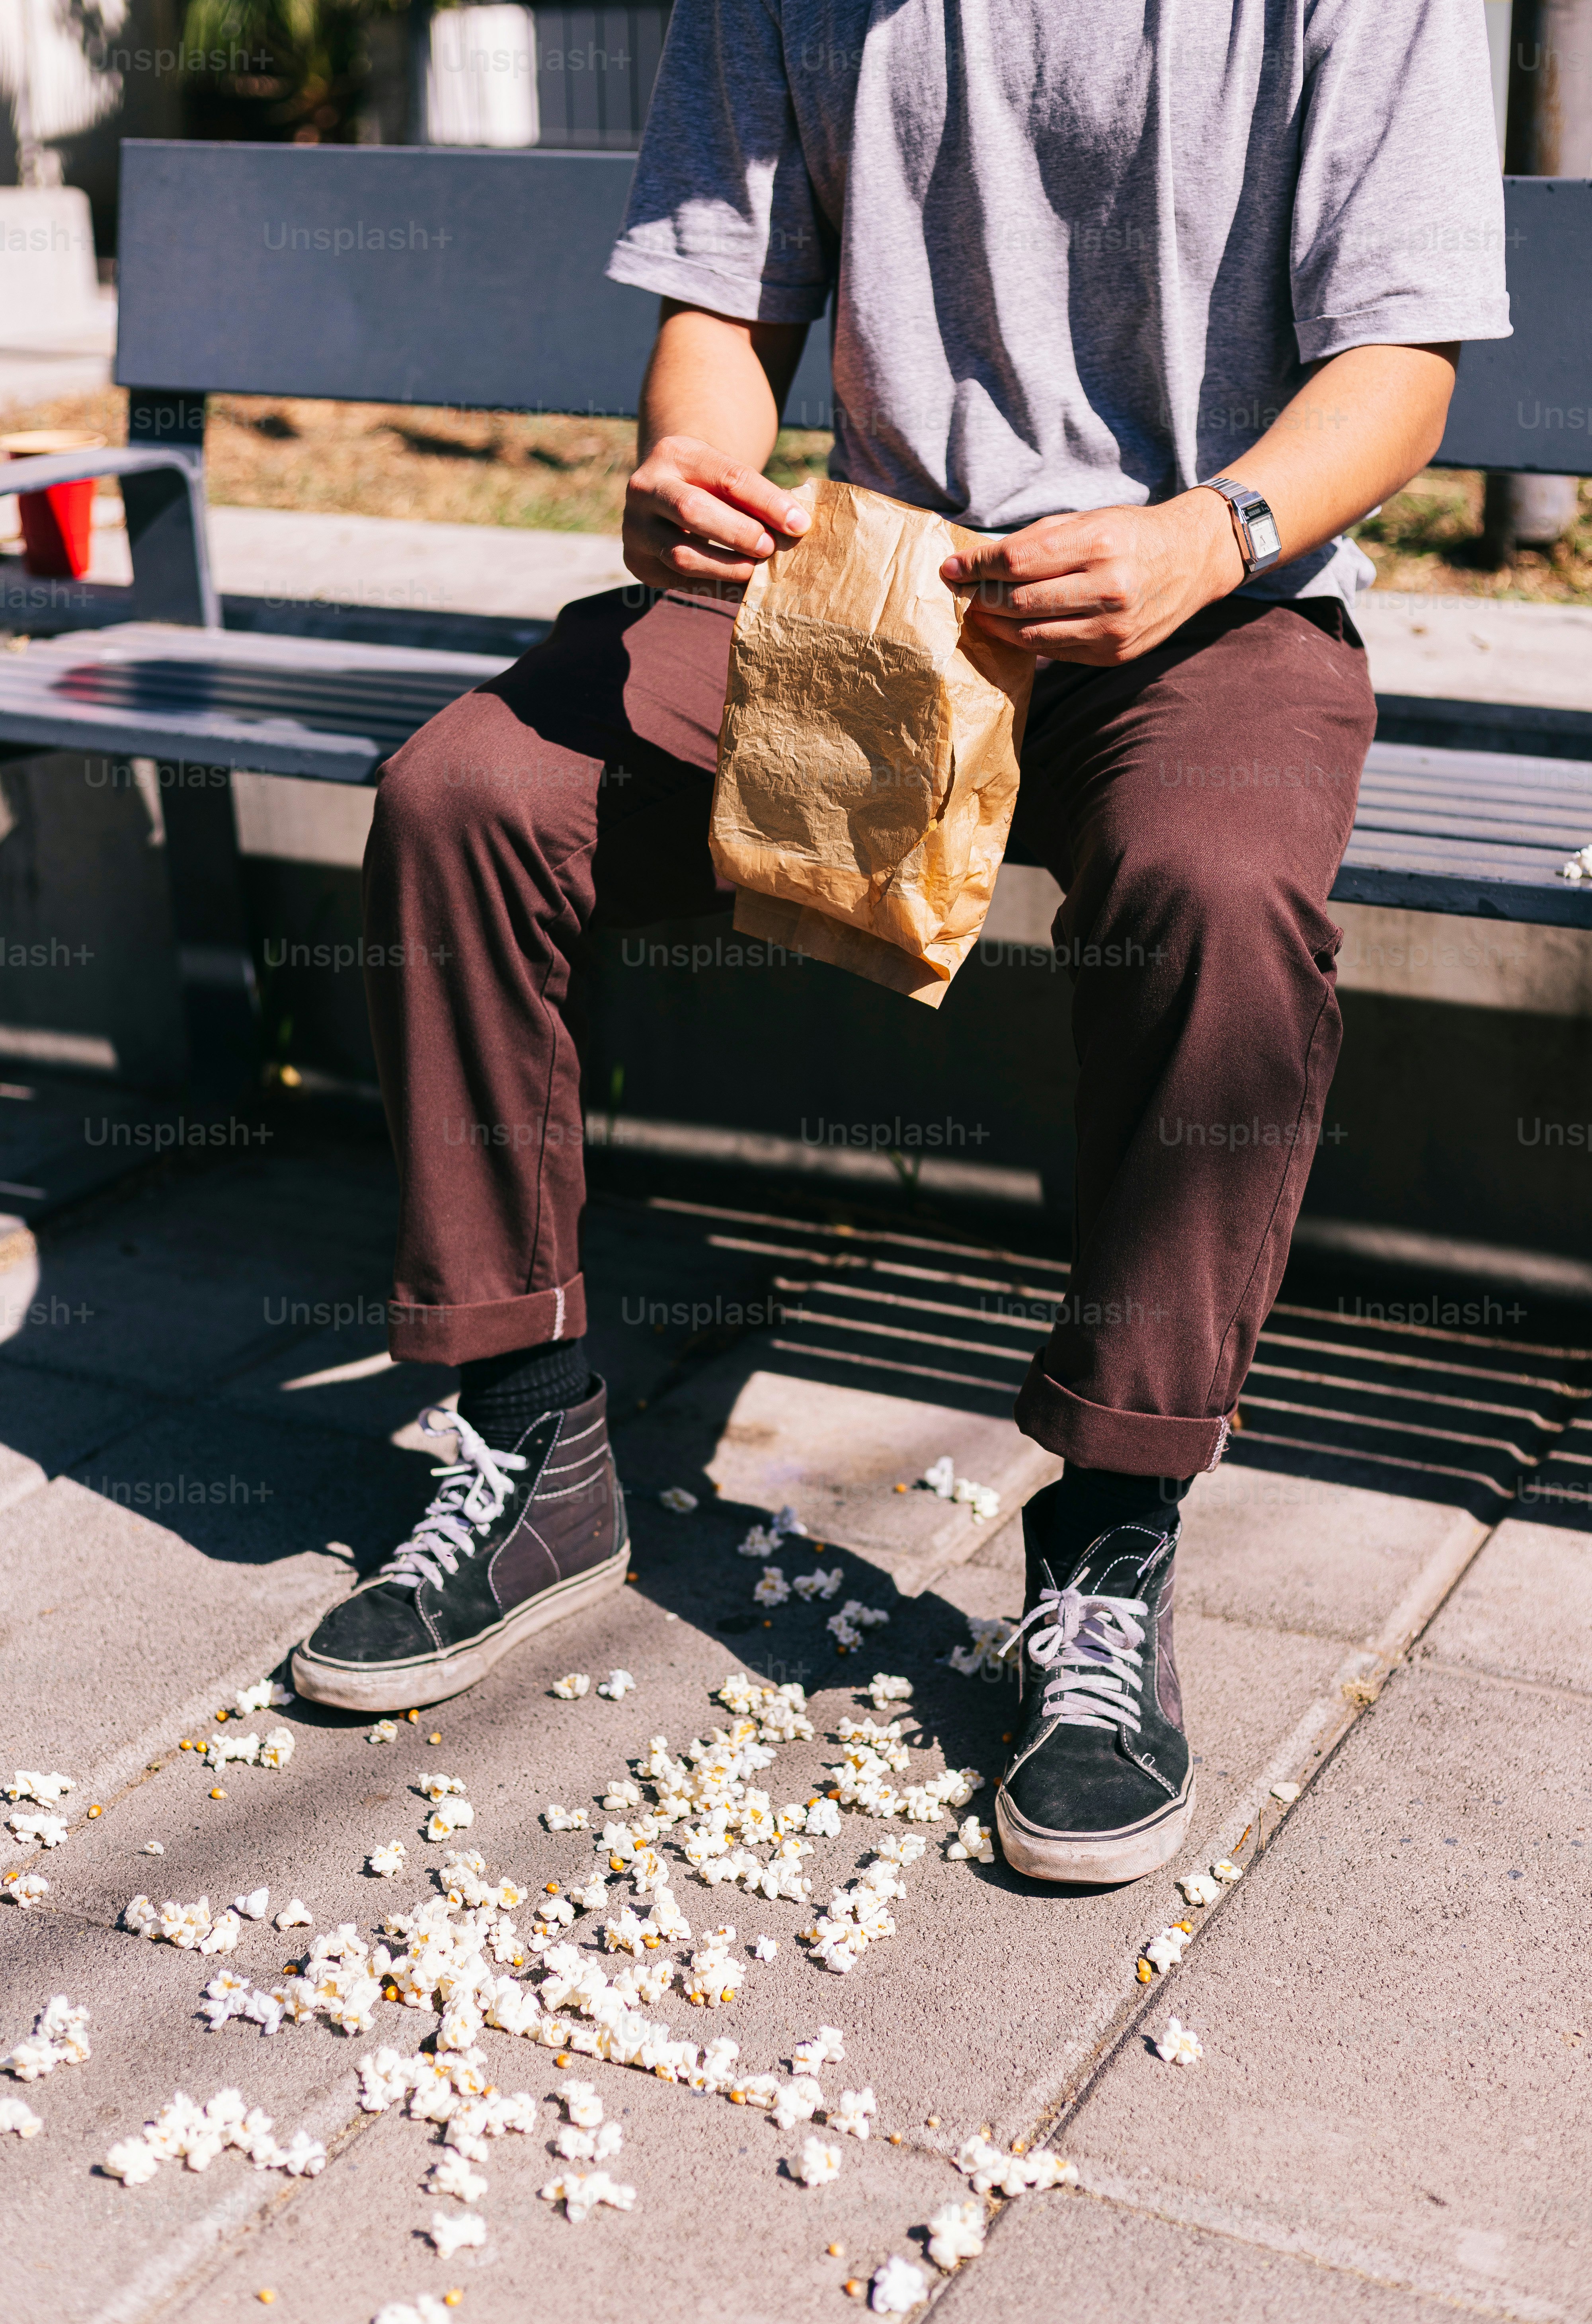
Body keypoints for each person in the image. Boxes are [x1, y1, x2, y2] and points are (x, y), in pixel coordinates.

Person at [291, 0, 1508, 1884]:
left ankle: (1111, 1530)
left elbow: (1401, 366)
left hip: (1208, 596)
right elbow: (722, 310)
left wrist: (1213, 530)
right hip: (869, 588)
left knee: (1218, 901)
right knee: (471, 797)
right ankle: (533, 1439)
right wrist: (686, 465)